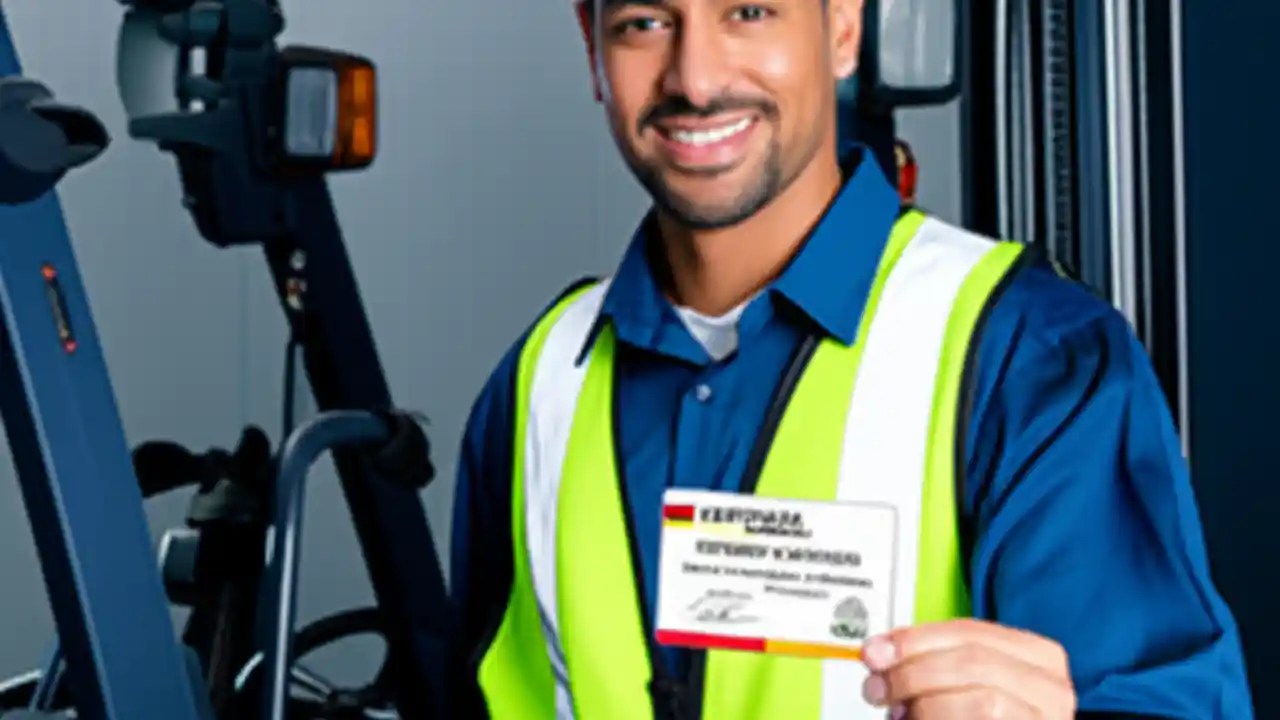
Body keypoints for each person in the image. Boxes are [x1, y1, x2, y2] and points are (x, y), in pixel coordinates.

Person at [446, 0, 1254, 717]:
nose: (694, 78)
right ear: (592, 46)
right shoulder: (539, 384)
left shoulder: (1026, 357)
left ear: (841, 28)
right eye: (646, 24)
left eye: (749, 13)